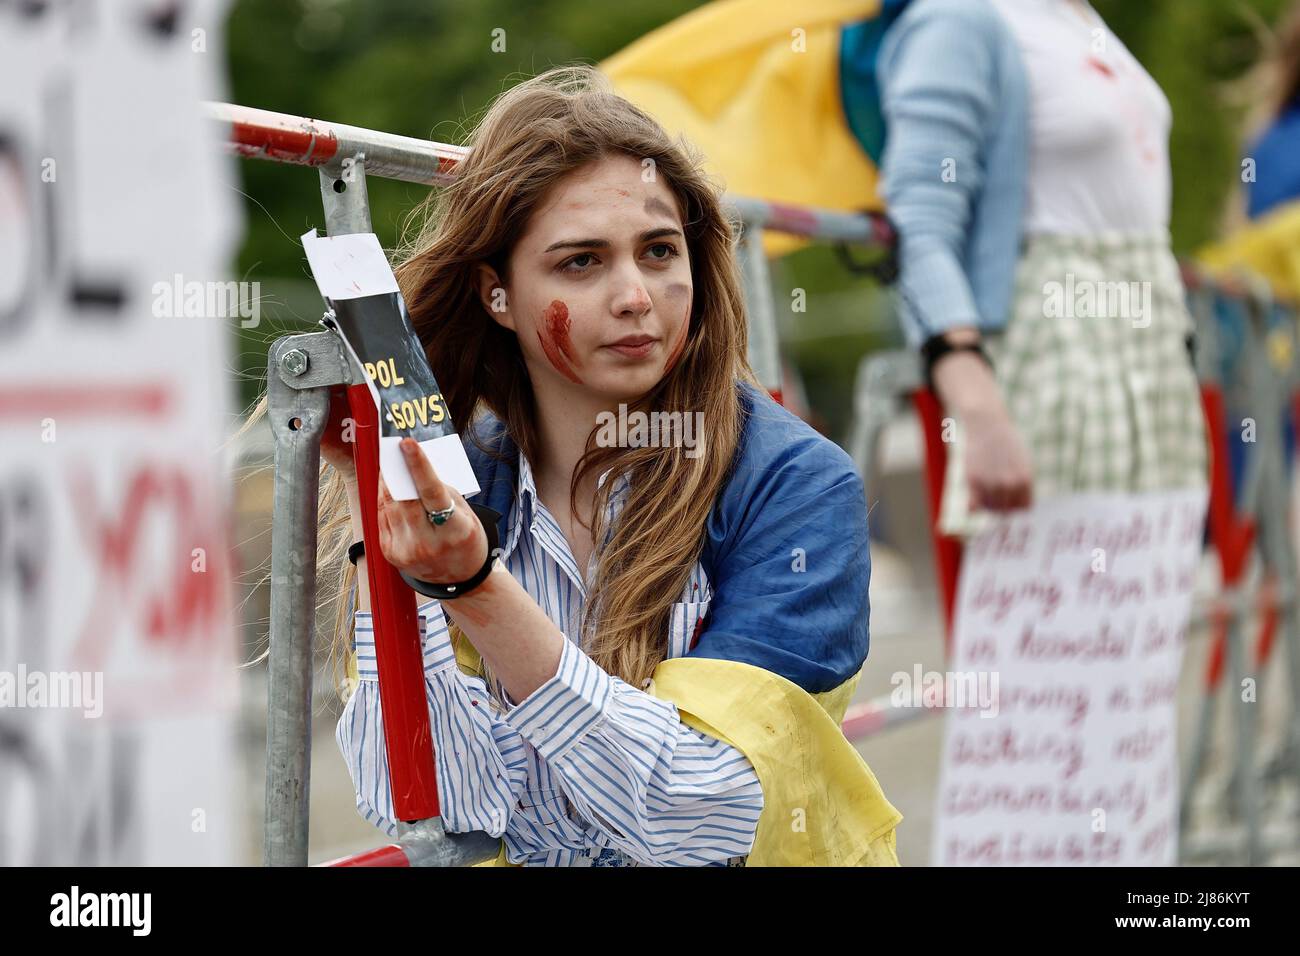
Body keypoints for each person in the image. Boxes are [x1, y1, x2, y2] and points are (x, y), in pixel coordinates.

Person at [310, 66, 900, 867]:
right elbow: (442, 807)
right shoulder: (461, 483)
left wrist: (478, 593)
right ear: (497, 296)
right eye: (581, 262)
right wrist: (372, 510)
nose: (636, 296)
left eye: (659, 251)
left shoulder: (794, 485)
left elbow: (703, 819)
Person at [881, 0, 1207, 536]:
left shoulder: (1076, 17)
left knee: (1145, 605)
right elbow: (918, 226)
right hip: (1054, 360)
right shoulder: (957, 19)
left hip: (1151, 357)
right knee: (1054, 607)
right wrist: (978, 406)